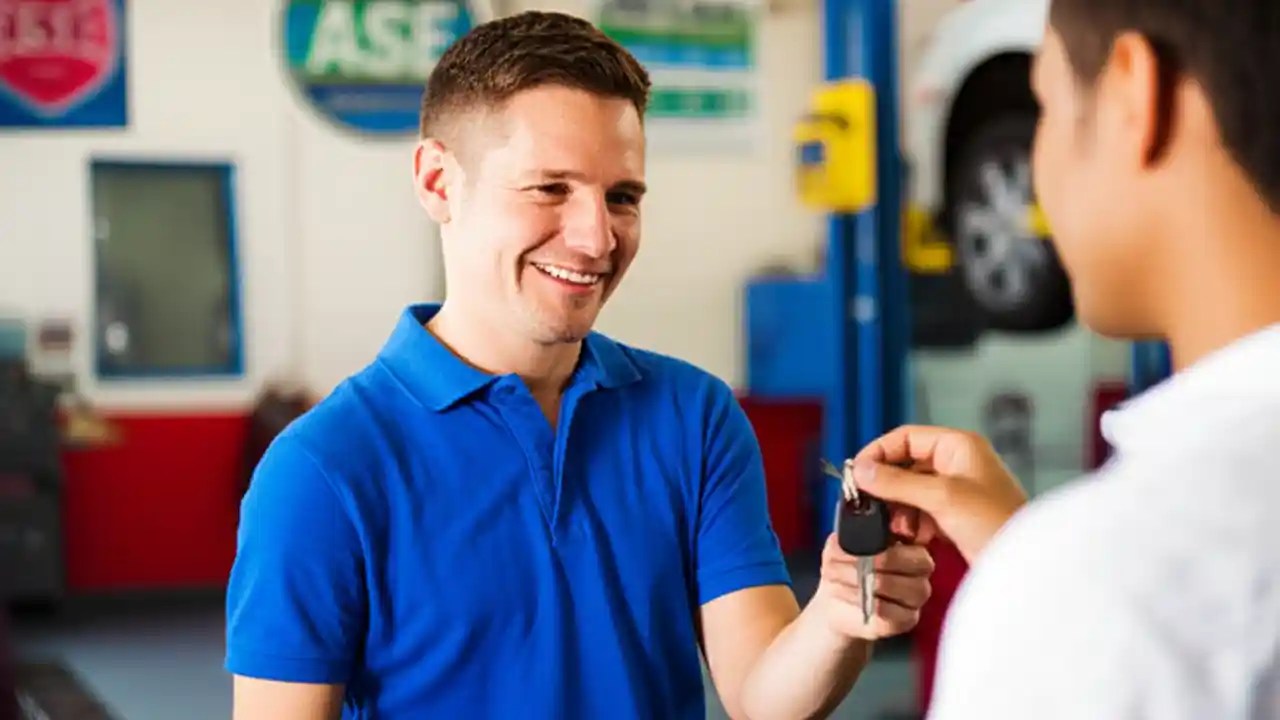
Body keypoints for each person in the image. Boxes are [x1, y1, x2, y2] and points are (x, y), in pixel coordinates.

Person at [225, 10, 934, 720]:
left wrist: (841, 613)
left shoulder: (694, 417)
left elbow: (763, 696)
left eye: (621, 197)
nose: (596, 238)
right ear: (439, 182)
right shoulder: (322, 472)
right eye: (550, 189)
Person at [848, 0, 1280, 717]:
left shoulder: (1100, 590)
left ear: (1135, 95)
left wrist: (1041, 581)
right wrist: (1025, 555)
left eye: (1042, 104)